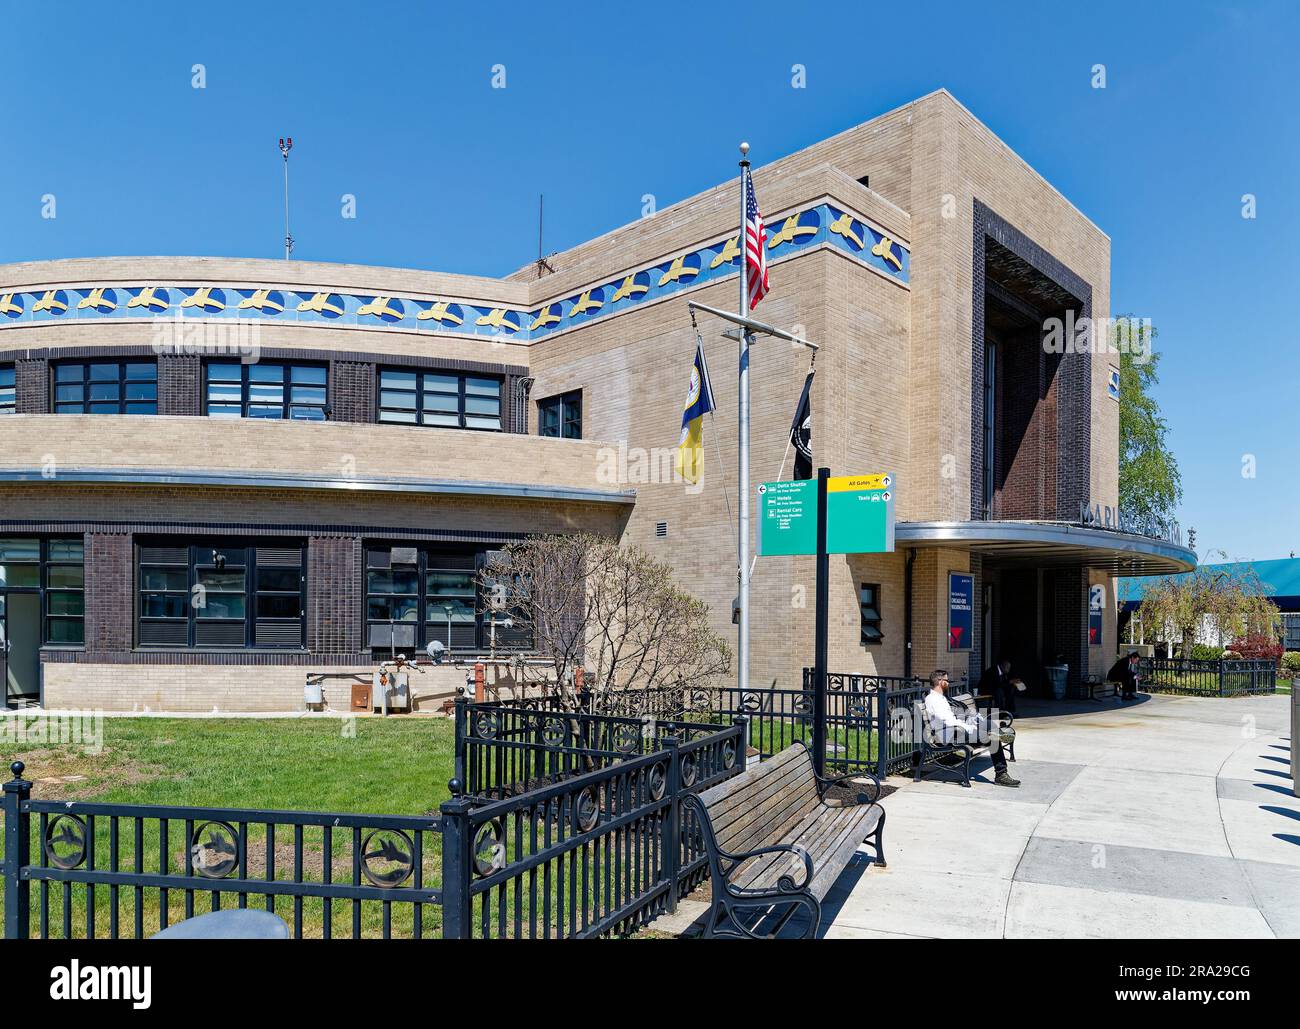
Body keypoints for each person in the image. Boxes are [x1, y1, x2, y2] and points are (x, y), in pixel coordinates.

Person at [924, 669, 1020, 787]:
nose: (948, 683)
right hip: (949, 735)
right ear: (940, 681)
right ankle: (1001, 774)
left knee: (988, 724)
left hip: (956, 730)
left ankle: (1000, 735)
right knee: (991, 738)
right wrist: (968, 726)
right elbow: (947, 721)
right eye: (947, 681)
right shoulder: (932, 699)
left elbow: (952, 717)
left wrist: (971, 720)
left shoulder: (941, 697)